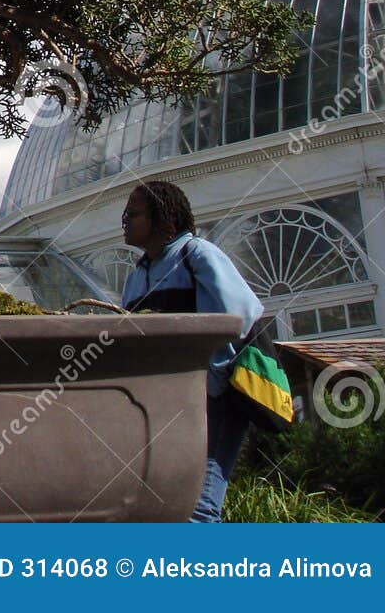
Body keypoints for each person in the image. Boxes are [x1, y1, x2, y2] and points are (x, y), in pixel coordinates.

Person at [119, 179, 263, 523]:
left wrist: (209, 376)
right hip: (170, 406)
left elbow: (241, 315)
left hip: (215, 399)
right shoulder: (138, 274)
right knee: (173, 506)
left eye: (133, 214)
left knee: (198, 506)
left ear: (163, 218)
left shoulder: (196, 255)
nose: (125, 221)